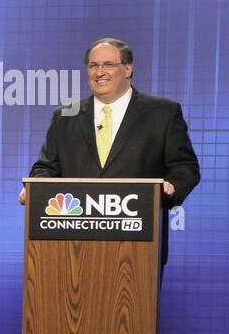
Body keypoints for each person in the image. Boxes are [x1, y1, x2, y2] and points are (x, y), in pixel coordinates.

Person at [19, 37, 199, 264]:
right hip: (71, 246)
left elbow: (185, 166)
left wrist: (172, 187)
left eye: (108, 65)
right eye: (93, 65)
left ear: (128, 68)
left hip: (138, 247)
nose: (99, 72)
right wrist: (37, 189)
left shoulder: (162, 113)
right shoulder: (66, 115)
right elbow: (45, 167)